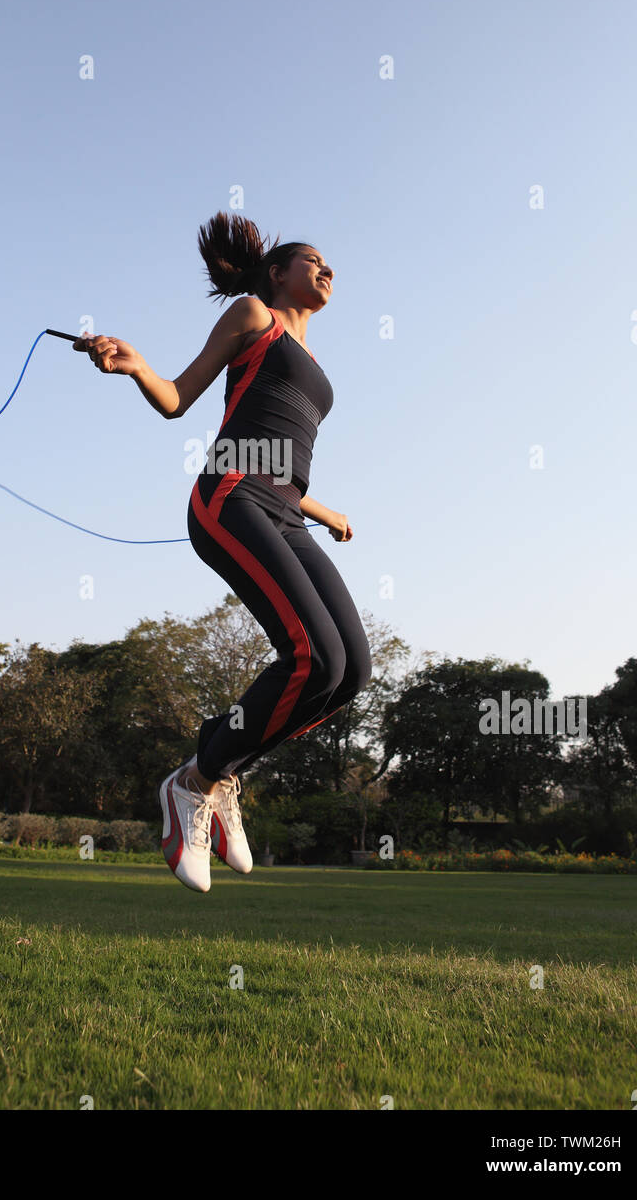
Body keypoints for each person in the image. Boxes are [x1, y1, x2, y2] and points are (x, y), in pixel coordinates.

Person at [73, 211, 372, 892]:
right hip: (230, 496)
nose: (326, 271)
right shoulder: (253, 315)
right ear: (277, 273)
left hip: (286, 510)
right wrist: (135, 365)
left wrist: (328, 512)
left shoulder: (315, 363)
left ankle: (221, 773)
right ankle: (195, 781)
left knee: (350, 669)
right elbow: (179, 398)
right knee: (313, 656)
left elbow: (288, 463)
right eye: (312, 260)